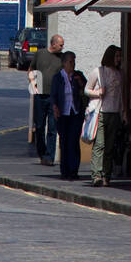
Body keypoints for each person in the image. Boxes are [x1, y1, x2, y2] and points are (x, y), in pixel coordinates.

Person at [86, 44, 127, 187]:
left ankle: (106, 175)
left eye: (120, 56)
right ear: (110, 57)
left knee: (110, 147)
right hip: (101, 112)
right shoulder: (98, 72)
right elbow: (86, 90)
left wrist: (124, 112)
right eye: (116, 56)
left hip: (115, 113)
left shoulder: (120, 73)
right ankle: (96, 175)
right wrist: (98, 93)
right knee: (100, 145)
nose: (119, 59)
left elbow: (122, 95)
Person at [28, 32, 64, 165]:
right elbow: (31, 69)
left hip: (54, 97)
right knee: (40, 126)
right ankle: (42, 152)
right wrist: (33, 84)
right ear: (53, 44)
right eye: (60, 45)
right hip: (40, 95)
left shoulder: (62, 58)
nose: (62, 47)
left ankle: (49, 157)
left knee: (53, 127)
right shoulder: (40, 54)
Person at [51, 50, 83, 179]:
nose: (73, 64)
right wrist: (55, 107)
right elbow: (53, 95)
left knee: (74, 141)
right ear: (64, 63)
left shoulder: (78, 75)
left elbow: (85, 89)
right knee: (64, 142)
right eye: (70, 61)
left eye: (74, 61)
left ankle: (74, 170)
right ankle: (65, 171)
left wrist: (80, 82)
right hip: (63, 114)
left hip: (75, 113)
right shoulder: (58, 77)